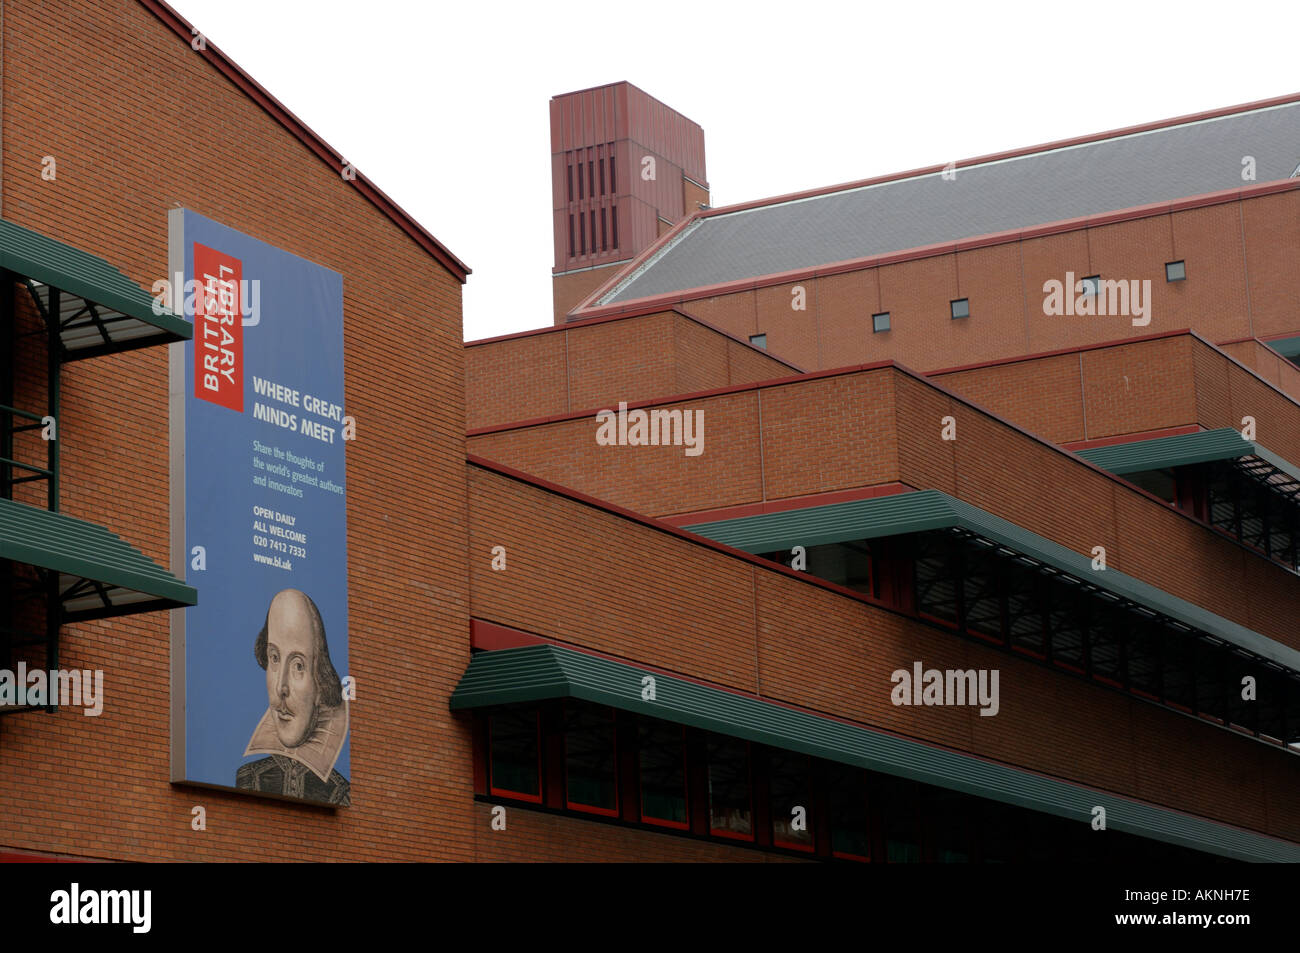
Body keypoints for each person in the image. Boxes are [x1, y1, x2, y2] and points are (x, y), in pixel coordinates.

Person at [236, 588, 350, 805]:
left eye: (298, 665)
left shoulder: (341, 792)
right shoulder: (248, 778)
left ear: (321, 682)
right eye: (275, 658)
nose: (281, 688)